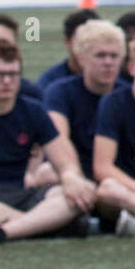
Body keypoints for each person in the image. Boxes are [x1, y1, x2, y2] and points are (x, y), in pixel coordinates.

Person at [0, 38, 98, 243]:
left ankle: (3, 233)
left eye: (13, 74)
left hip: (20, 193)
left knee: (72, 193)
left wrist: (70, 177)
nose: (7, 81)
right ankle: (46, 226)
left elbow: (65, 159)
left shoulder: (32, 110)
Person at [93, 31, 135, 236]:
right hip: (131, 191)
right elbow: (102, 167)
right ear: (131, 68)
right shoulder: (113, 103)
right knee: (107, 189)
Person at [42, 20, 127, 182]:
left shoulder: (126, 94)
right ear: (81, 58)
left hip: (115, 177)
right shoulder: (59, 92)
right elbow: (59, 139)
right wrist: (75, 177)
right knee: (45, 172)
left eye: (114, 56)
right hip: (72, 172)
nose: (108, 62)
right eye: (100, 55)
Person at [37, 8, 101, 90]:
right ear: (67, 42)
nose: (88, 46)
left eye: (94, 40)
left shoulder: (112, 77)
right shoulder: (49, 83)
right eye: (81, 41)